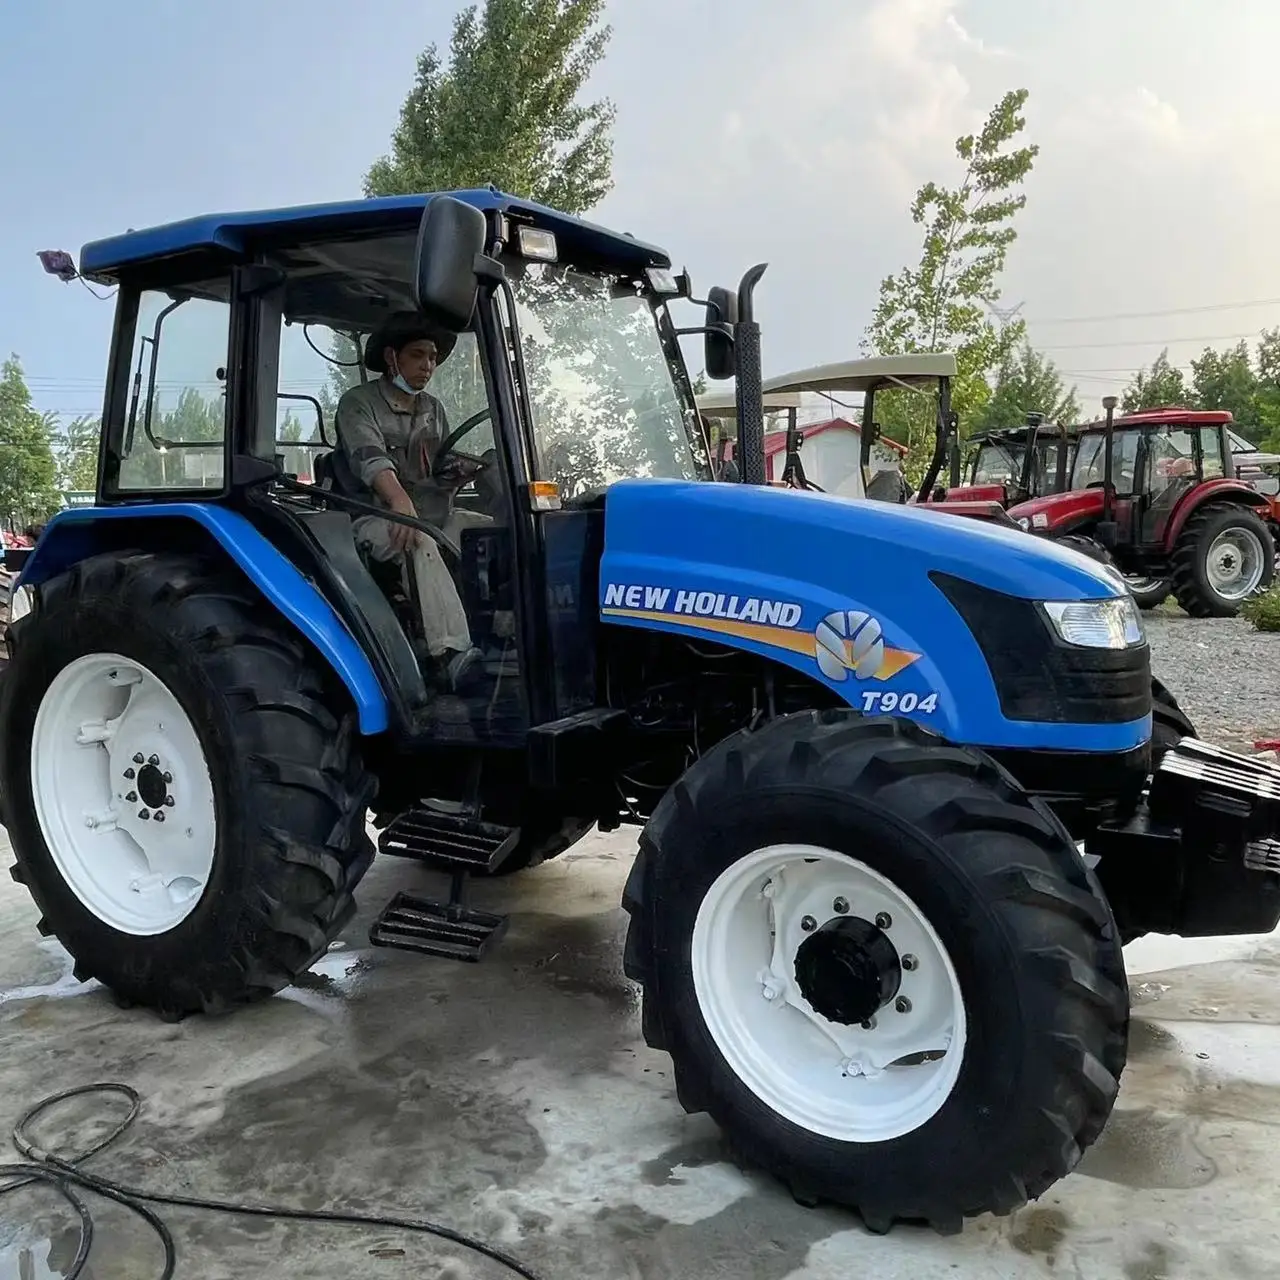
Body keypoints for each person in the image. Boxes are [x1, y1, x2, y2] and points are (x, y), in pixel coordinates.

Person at [334, 311, 484, 691]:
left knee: (489, 529)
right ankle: (449, 653)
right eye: (418, 355)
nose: (428, 365)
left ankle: (505, 628)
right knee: (420, 540)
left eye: (432, 357)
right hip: (372, 515)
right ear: (391, 357)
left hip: (429, 512)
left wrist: (460, 471)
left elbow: (440, 463)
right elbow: (370, 459)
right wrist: (399, 503)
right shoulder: (358, 403)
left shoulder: (433, 408)